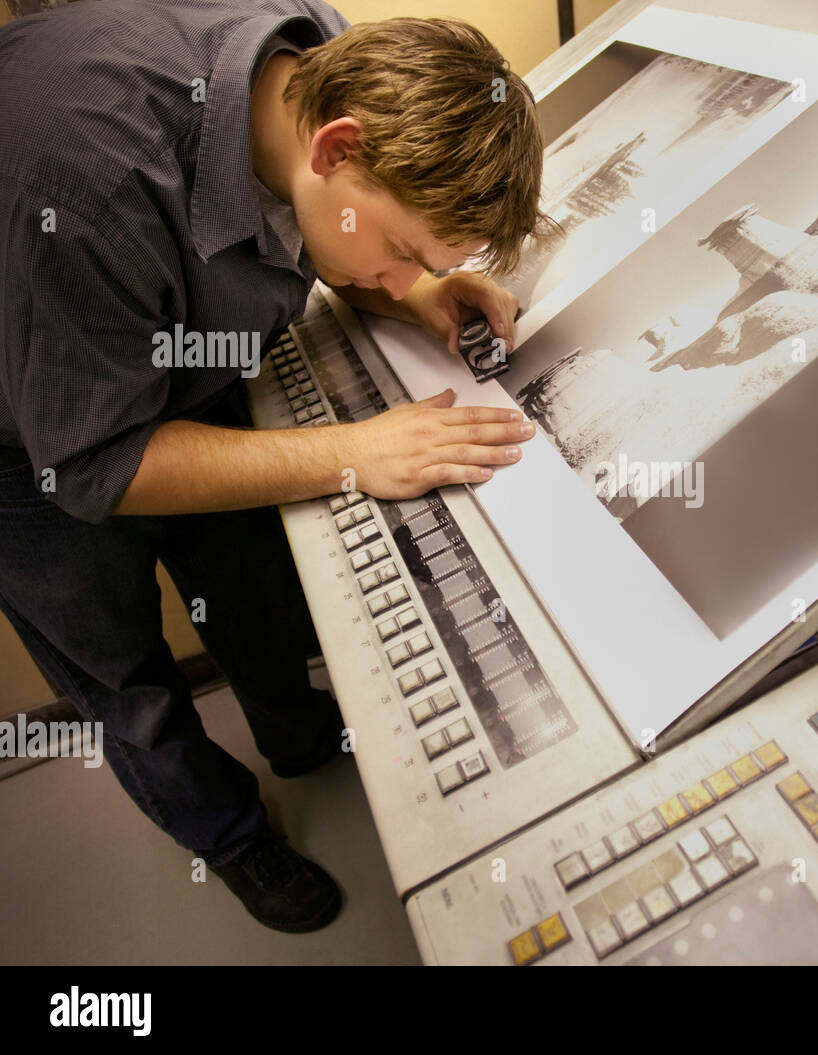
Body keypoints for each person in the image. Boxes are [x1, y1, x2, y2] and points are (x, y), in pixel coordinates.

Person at [0, 0, 549, 932]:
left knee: (245, 579)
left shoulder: (315, 57)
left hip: (174, 336)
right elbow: (95, 462)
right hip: (31, 433)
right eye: (401, 251)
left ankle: (298, 736)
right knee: (122, 673)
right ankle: (228, 836)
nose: (399, 276)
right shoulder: (89, 185)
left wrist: (416, 287)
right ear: (337, 148)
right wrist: (351, 454)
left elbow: (319, 214)